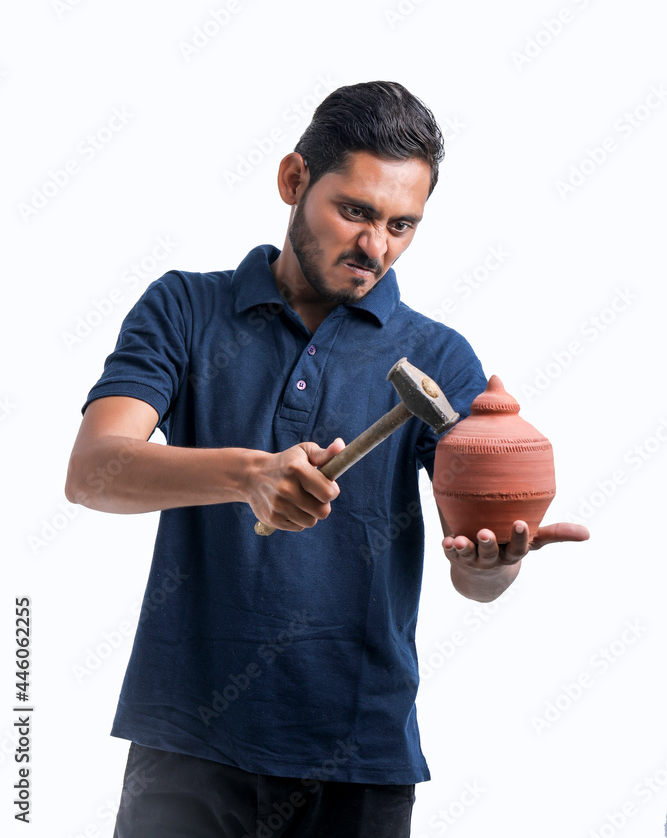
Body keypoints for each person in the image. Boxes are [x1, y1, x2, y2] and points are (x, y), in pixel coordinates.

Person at [65, 81, 588, 838]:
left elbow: (475, 575)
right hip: (183, 741)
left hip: (358, 755)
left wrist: (492, 562)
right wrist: (250, 475)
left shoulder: (438, 354)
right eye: (356, 212)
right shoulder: (182, 308)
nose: (376, 247)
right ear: (293, 180)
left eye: (402, 224)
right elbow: (93, 472)